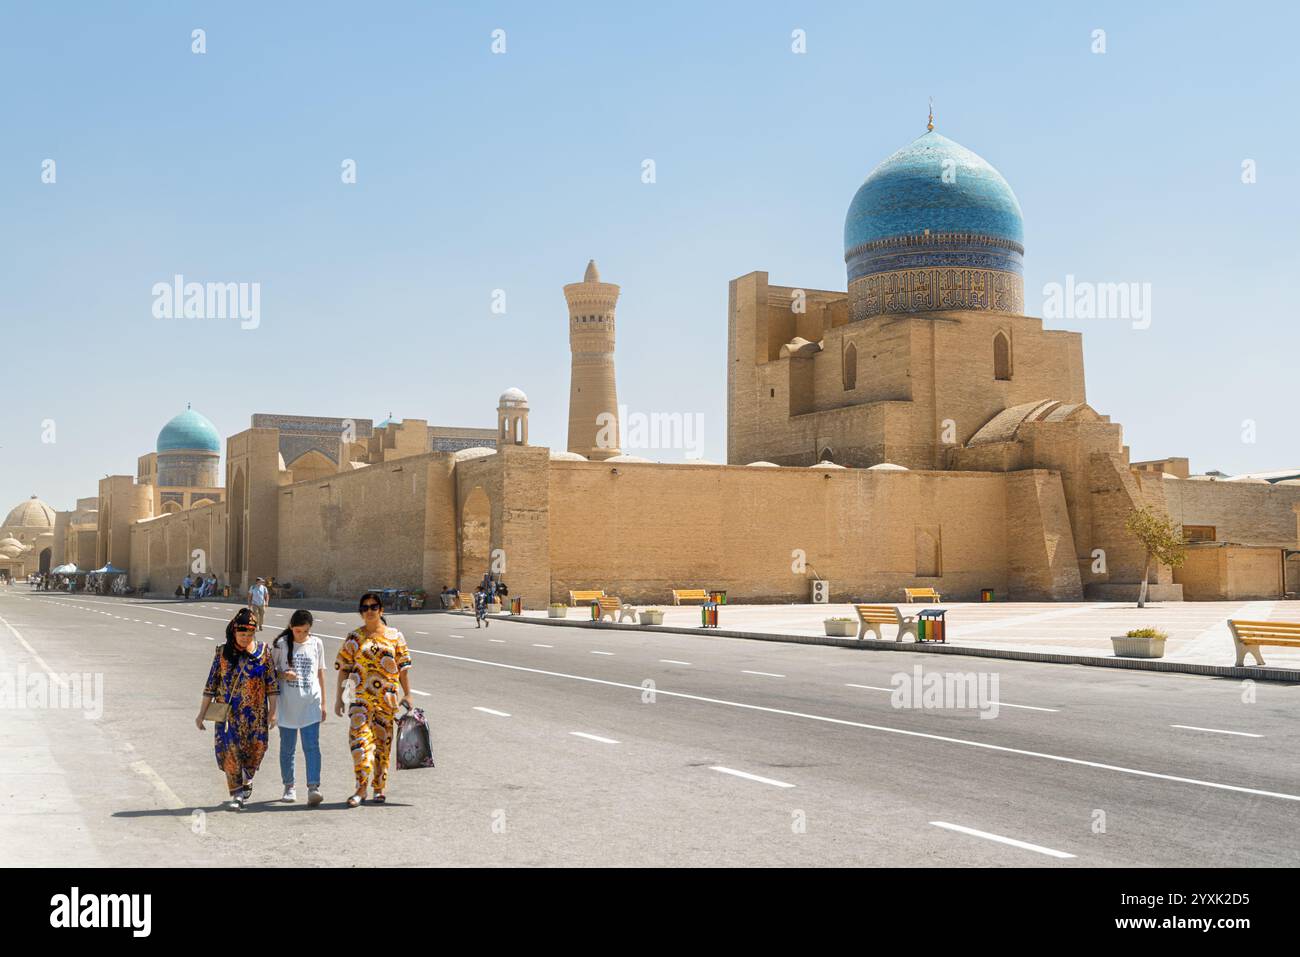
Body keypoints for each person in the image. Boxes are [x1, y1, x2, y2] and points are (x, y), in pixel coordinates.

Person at [334, 592, 412, 807]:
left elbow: (403, 669)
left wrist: (408, 694)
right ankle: (360, 789)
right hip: (359, 700)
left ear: (381, 610)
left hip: (387, 700)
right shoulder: (354, 637)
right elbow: (344, 669)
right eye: (365, 607)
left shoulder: (395, 636)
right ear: (361, 613)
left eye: (374, 606)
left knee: (382, 746)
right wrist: (340, 699)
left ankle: (378, 788)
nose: (369, 611)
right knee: (359, 744)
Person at [196, 607, 278, 809]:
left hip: (255, 715)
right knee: (231, 751)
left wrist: (273, 712)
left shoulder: (263, 652)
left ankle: (247, 779)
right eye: (242, 634)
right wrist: (201, 714)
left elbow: (272, 684)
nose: (245, 638)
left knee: (256, 750)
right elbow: (211, 685)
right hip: (228, 715)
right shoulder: (223, 653)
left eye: (250, 634)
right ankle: (236, 794)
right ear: (234, 632)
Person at [272, 609, 326, 806]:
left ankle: (314, 787)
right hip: (287, 704)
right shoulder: (281, 645)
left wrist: (324, 703)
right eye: (297, 631)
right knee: (287, 749)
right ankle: (289, 786)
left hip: (311, 703)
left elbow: (320, 673)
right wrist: (284, 675)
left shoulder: (317, 643)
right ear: (290, 627)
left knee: (312, 746)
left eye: (304, 631)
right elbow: (271, 673)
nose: (301, 635)